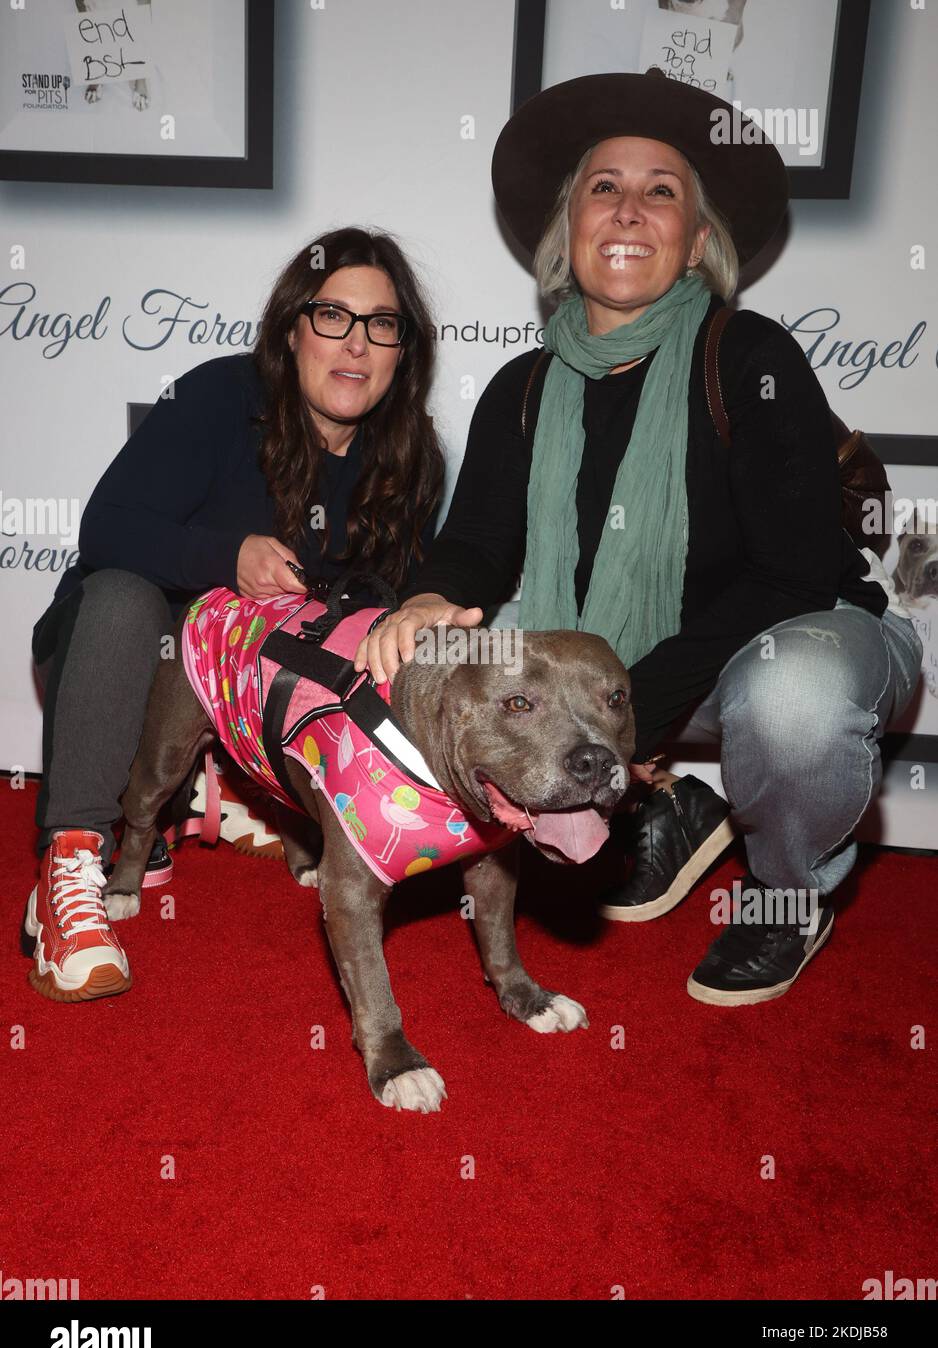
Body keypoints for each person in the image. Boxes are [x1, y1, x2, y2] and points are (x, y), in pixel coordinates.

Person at [353, 70, 923, 1007]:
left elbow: (792, 574)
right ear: (567, 227)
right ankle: (670, 808)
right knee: (474, 655)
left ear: (698, 241)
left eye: (662, 191)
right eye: (603, 187)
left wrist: (631, 717)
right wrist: (426, 598)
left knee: (796, 695)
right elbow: (480, 547)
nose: (629, 210)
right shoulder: (523, 388)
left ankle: (789, 897)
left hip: (803, 632)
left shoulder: (751, 356)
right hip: (626, 679)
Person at [25, 226, 443, 1001]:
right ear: (292, 330)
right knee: (123, 592)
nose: (355, 344)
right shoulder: (223, 394)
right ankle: (73, 857)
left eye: (382, 325)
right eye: (332, 317)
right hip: (116, 667)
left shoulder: (411, 459)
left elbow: (386, 629)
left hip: (254, 703)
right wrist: (229, 558)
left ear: (402, 352)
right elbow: (106, 529)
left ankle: (225, 788)